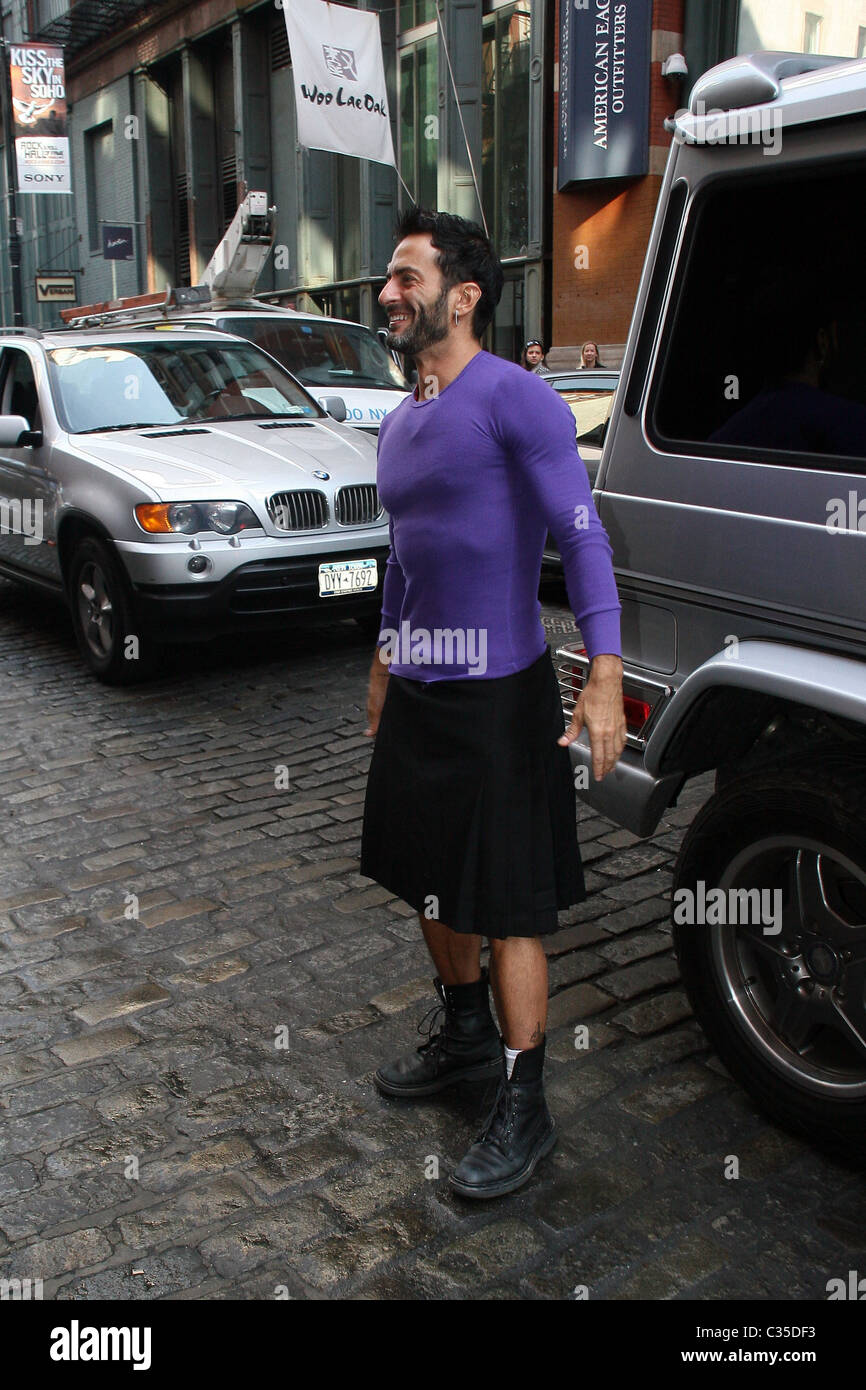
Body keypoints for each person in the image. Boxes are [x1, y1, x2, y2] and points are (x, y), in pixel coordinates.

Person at [360, 206, 625, 1200]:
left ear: (461, 296)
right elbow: (405, 554)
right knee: (424, 874)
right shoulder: (400, 420)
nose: (387, 293)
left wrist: (601, 668)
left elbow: (580, 534)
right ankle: (463, 1029)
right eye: (387, 280)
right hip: (421, 693)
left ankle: (525, 1100)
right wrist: (385, 657)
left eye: (405, 277)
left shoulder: (514, 400)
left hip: (500, 694)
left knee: (509, 904)